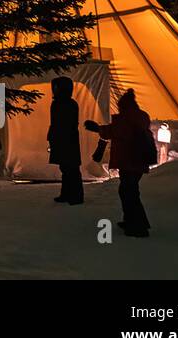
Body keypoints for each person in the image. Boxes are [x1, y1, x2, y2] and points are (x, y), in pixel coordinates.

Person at [85, 89, 154, 238]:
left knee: (129, 193)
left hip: (128, 160)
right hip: (139, 161)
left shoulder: (125, 119)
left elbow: (113, 131)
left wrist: (97, 128)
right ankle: (131, 220)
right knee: (130, 191)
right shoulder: (142, 117)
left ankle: (138, 226)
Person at [47, 76, 83, 205]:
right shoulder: (61, 103)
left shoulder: (66, 104)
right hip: (63, 139)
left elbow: (64, 124)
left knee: (71, 168)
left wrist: (54, 136)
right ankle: (67, 194)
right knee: (66, 168)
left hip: (66, 140)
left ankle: (75, 196)